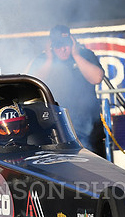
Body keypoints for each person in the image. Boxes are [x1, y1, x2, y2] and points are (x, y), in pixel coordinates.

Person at [29, 25, 105, 155]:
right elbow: (32, 83)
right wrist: (49, 59)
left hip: (88, 124)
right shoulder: (43, 59)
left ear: (72, 42)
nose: (63, 49)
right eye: (58, 45)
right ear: (51, 46)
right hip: (56, 126)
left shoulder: (85, 55)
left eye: (66, 45)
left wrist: (76, 55)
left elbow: (97, 78)